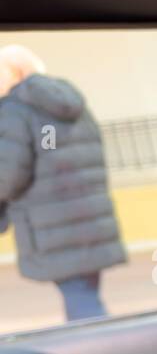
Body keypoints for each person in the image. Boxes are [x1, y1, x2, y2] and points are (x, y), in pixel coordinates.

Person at [0, 45, 125, 322]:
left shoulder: (15, 110)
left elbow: (8, 175)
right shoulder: (71, 104)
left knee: (83, 303)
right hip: (87, 217)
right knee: (83, 293)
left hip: (52, 226)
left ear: (16, 73)